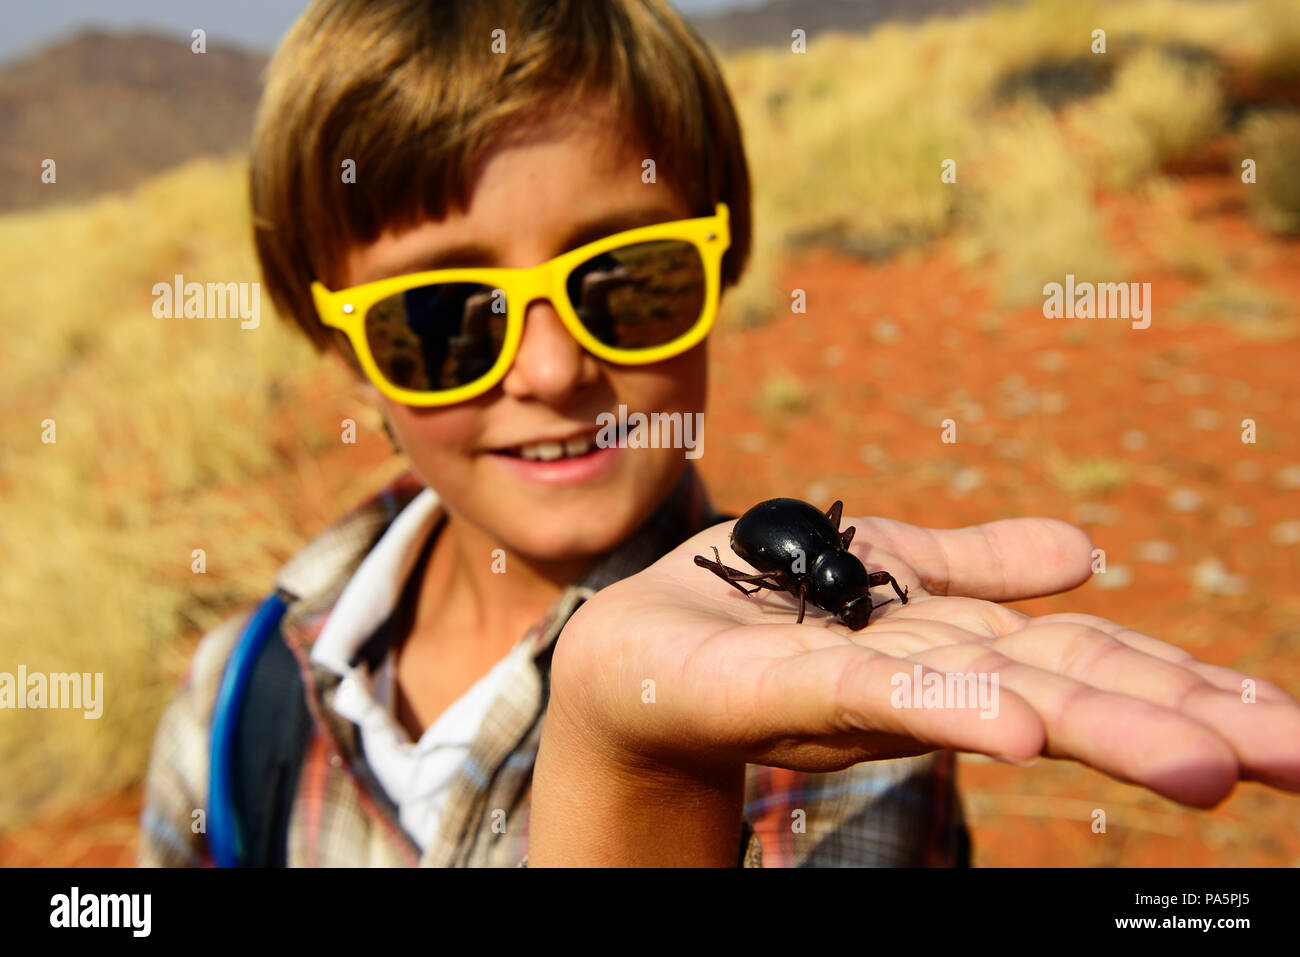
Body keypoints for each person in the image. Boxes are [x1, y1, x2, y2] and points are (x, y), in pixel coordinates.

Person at [139, 0, 1300, 868]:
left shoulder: (844, 739)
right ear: (339, 345)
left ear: (726, 263)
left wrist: (637, 771)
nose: (552, 368)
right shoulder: (235, 703)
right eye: (442, 321)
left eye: (629, 282)